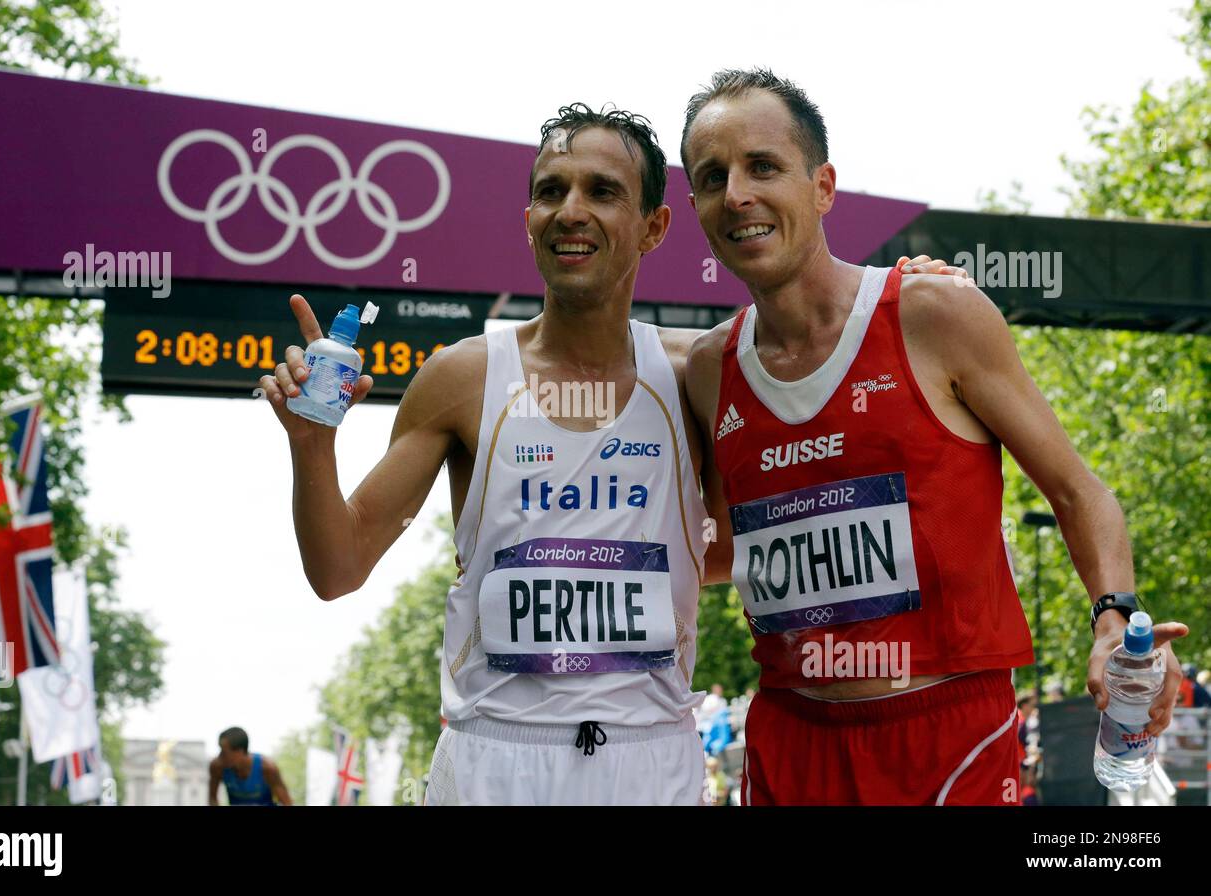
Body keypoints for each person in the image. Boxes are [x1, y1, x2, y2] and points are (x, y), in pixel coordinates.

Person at [259, 103, 953, 806]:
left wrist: (905, 302)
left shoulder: (701, 372)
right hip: (494, 760)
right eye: (550, 190)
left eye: (602, 191)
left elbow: (760, 512)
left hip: (651, 761)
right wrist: (313, 446)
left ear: (654, 227)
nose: (570, 211)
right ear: (527, 217)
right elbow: (337, 569)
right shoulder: (461, 378)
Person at [679, 68, 1190, 805]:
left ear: (823, 186)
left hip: (947, 738)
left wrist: (1114, 616)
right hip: (789, 741)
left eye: (763, 166)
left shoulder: (933, 312)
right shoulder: (706, 370)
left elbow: (1081, 493)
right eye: (710, 177)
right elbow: (724, 548)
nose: (737, 193)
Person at [208, 727, 292, 806]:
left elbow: (286, 802)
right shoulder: (217, 767)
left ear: (240, 751)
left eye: (224, 752)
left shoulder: (267, 768)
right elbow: (212, 798)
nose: (220, 756)